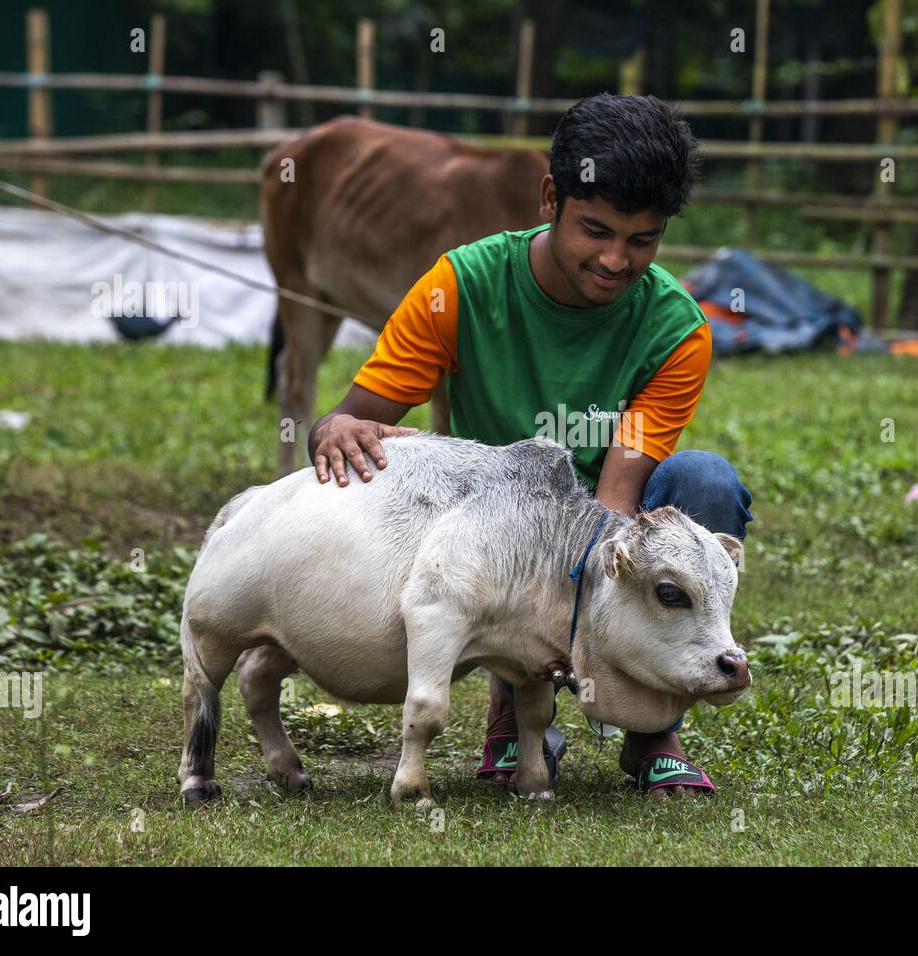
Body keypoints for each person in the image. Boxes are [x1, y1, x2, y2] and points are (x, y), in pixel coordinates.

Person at [307, 93, 752, 798]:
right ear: (551, 197)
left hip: (600, 526)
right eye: (596, 230)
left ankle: (650, 735)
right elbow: (348, 421)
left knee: (704, 482)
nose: (615, 259)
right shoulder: (458, 287)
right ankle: (512, 710)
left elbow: (612, 509)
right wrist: (337, 430)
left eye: (642, 241)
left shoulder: (676, 327)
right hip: (493, 531)